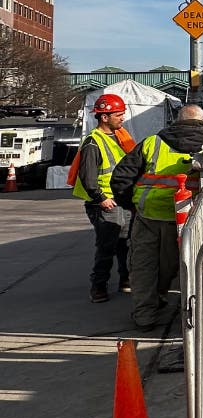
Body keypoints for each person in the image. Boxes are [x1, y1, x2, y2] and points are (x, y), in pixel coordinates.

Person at [112, 104, 203, 331]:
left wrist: (132, 206)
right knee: (191, 266)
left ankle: (145, 315)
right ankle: (199, 320)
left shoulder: (153, 142)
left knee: (143, 265)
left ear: (177, 120)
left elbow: (121, 178)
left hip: (150, 215)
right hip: (192, 217)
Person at [71, 93, 137, 303]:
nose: (122, 118)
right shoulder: (93, 142)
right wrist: (101, 198)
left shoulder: (119, 137)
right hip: (104, 203)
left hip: (122, 201)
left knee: (125, 244)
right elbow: (88, 176)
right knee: (107, 246)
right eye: (118, 114)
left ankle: (125, 280)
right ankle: (98, 286)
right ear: (104, 117)